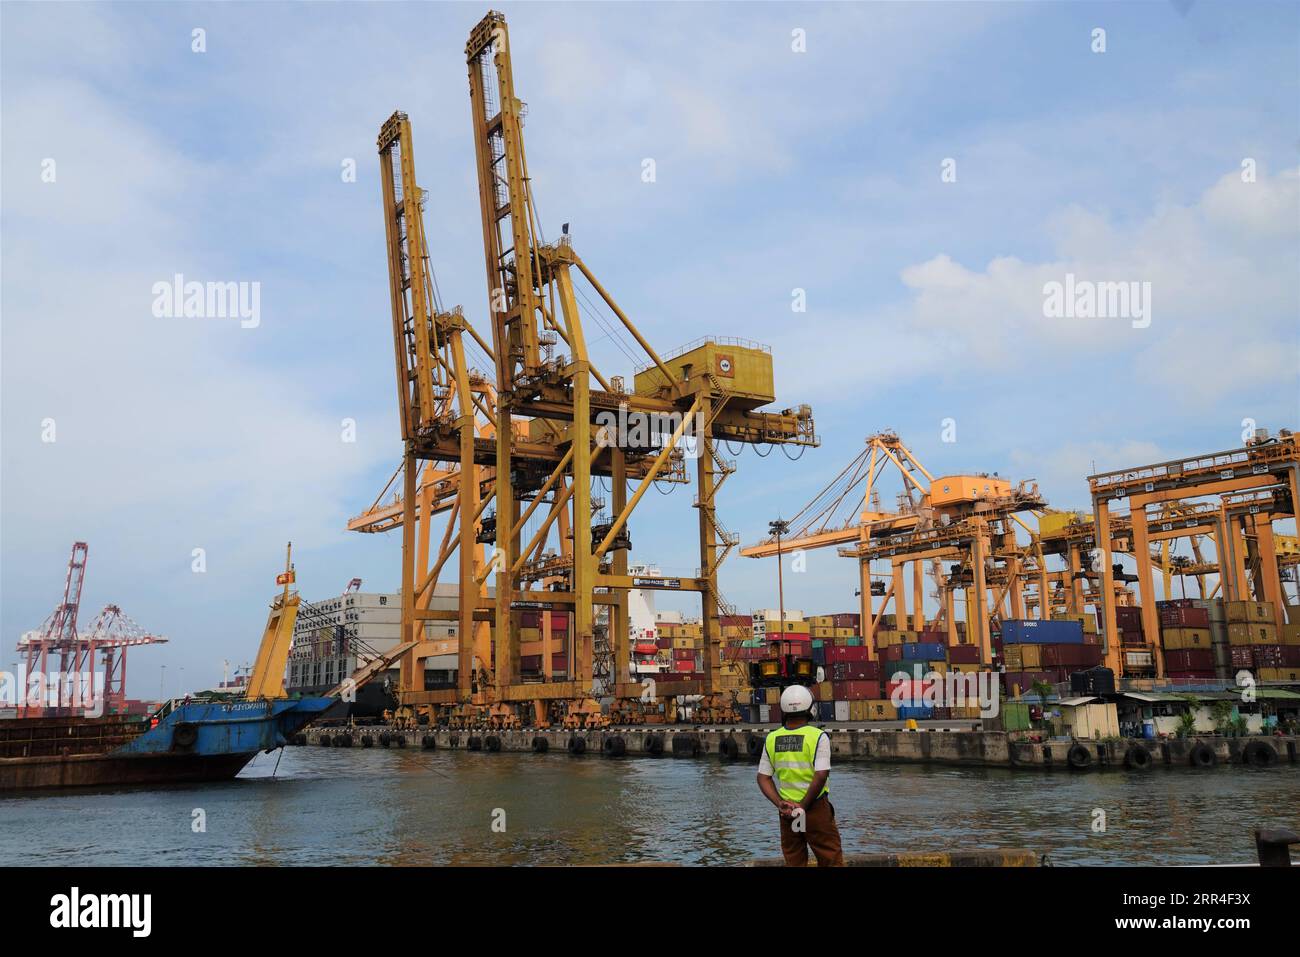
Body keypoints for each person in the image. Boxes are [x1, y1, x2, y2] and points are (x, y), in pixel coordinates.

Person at [756, 685, 844, 866]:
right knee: (830, 857)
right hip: (814, 809)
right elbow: (821, 775)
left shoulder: (772, 738)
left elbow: (762, 778)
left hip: (788, 812)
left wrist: (780, 803)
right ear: (810, 708)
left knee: (795, 859)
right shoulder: (818, 737)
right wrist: (803, 806)